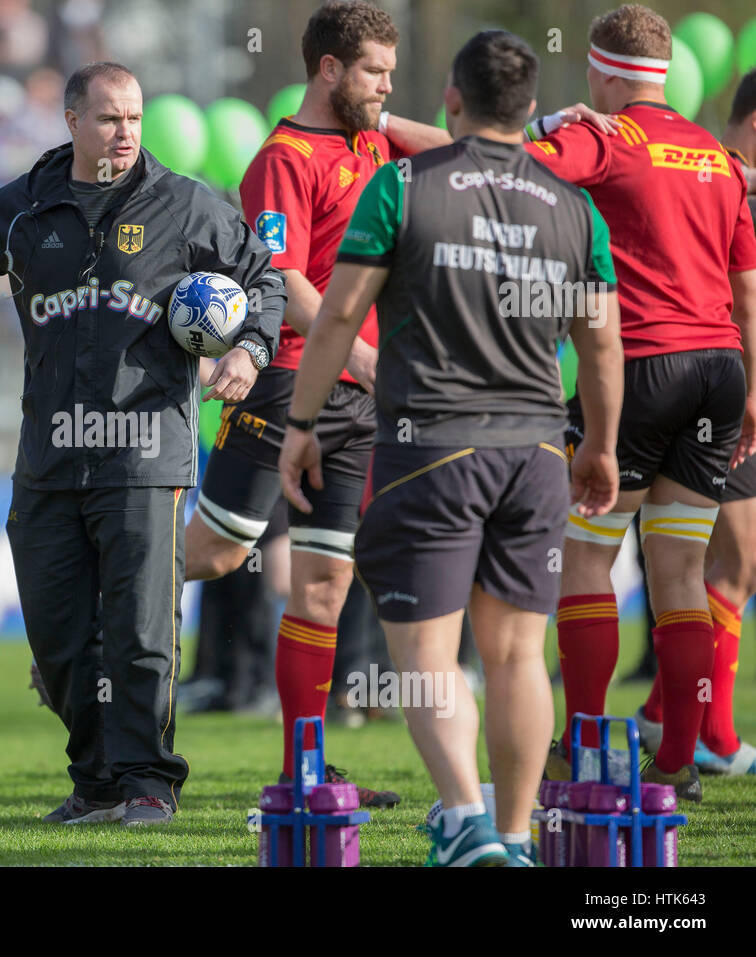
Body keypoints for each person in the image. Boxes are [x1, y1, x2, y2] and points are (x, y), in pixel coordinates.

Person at [0, 61, 285, 826]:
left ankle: (145, 782)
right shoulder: (31, 202)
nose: (126, 131)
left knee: (139, 629)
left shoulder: (187, 205)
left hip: (144, 451)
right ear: (72, 121)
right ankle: (96, 780)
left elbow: (262, 279)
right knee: (59, 636)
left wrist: (248, 350)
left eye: (133, 118)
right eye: (109, 118)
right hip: (49, 454)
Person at [281, 29, 623, 866]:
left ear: (453, 103)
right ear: (531, 110)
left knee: (427, 654)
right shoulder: (574, 208)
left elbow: (333, 313)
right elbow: (605, 345)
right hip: (539, 448)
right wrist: (602, 446)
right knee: (515, 654)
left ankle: (466, 820)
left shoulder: (403, 185)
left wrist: (300, 423)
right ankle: (512, 836)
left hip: (428, 444)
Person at [181, 0, 444, 806]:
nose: (385, 85)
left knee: (327, 583)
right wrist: (359, 353)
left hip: (353, 398)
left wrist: (386, 108)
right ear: (328, 69)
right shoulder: (282, 157)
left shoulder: (373, 137)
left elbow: (464, 152)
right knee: (222, 552)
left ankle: (305, 768)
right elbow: (282, 280)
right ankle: (96, 613)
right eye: (373, 70)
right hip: (290, 380)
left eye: (391, 72)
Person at [524, 4, 756, 801]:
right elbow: (747, 291)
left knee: (586, 556)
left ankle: (582, 748)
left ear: (602, 73)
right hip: (721, 371)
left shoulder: (603, 133)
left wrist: (554, 121)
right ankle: (678, 760)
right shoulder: (719, 160)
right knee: (681, 571)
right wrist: (755, 388)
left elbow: (504, 165)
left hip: (639, 366)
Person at [636, 68, 756, 776]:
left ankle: (665, 714)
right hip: (715, 388)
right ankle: (708, 732)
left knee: (728, 565)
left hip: (721, 387)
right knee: (727, 562)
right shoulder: (718, 177)